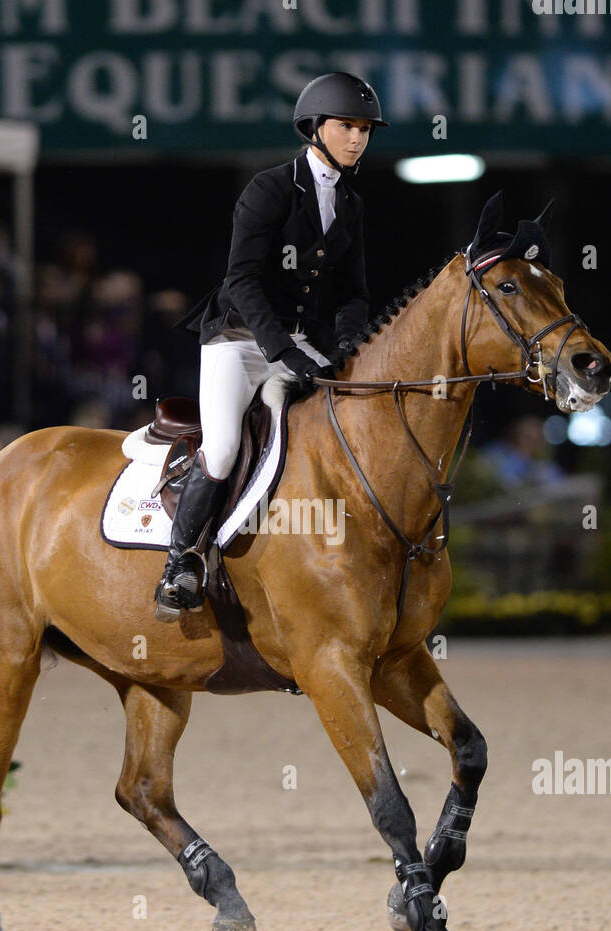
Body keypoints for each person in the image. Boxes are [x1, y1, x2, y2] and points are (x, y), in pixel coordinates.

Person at [156, 72, 388, 621]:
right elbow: (242, 280)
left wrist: (346, 347)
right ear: (315, 128)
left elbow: (353, 293)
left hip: (304, 345)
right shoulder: (269, 189)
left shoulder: (350, 204)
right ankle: (180, 562)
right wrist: (284, 351)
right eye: (346, 127)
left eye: (364, 129)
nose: (357, 139)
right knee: (223, 447)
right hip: (240, 342)